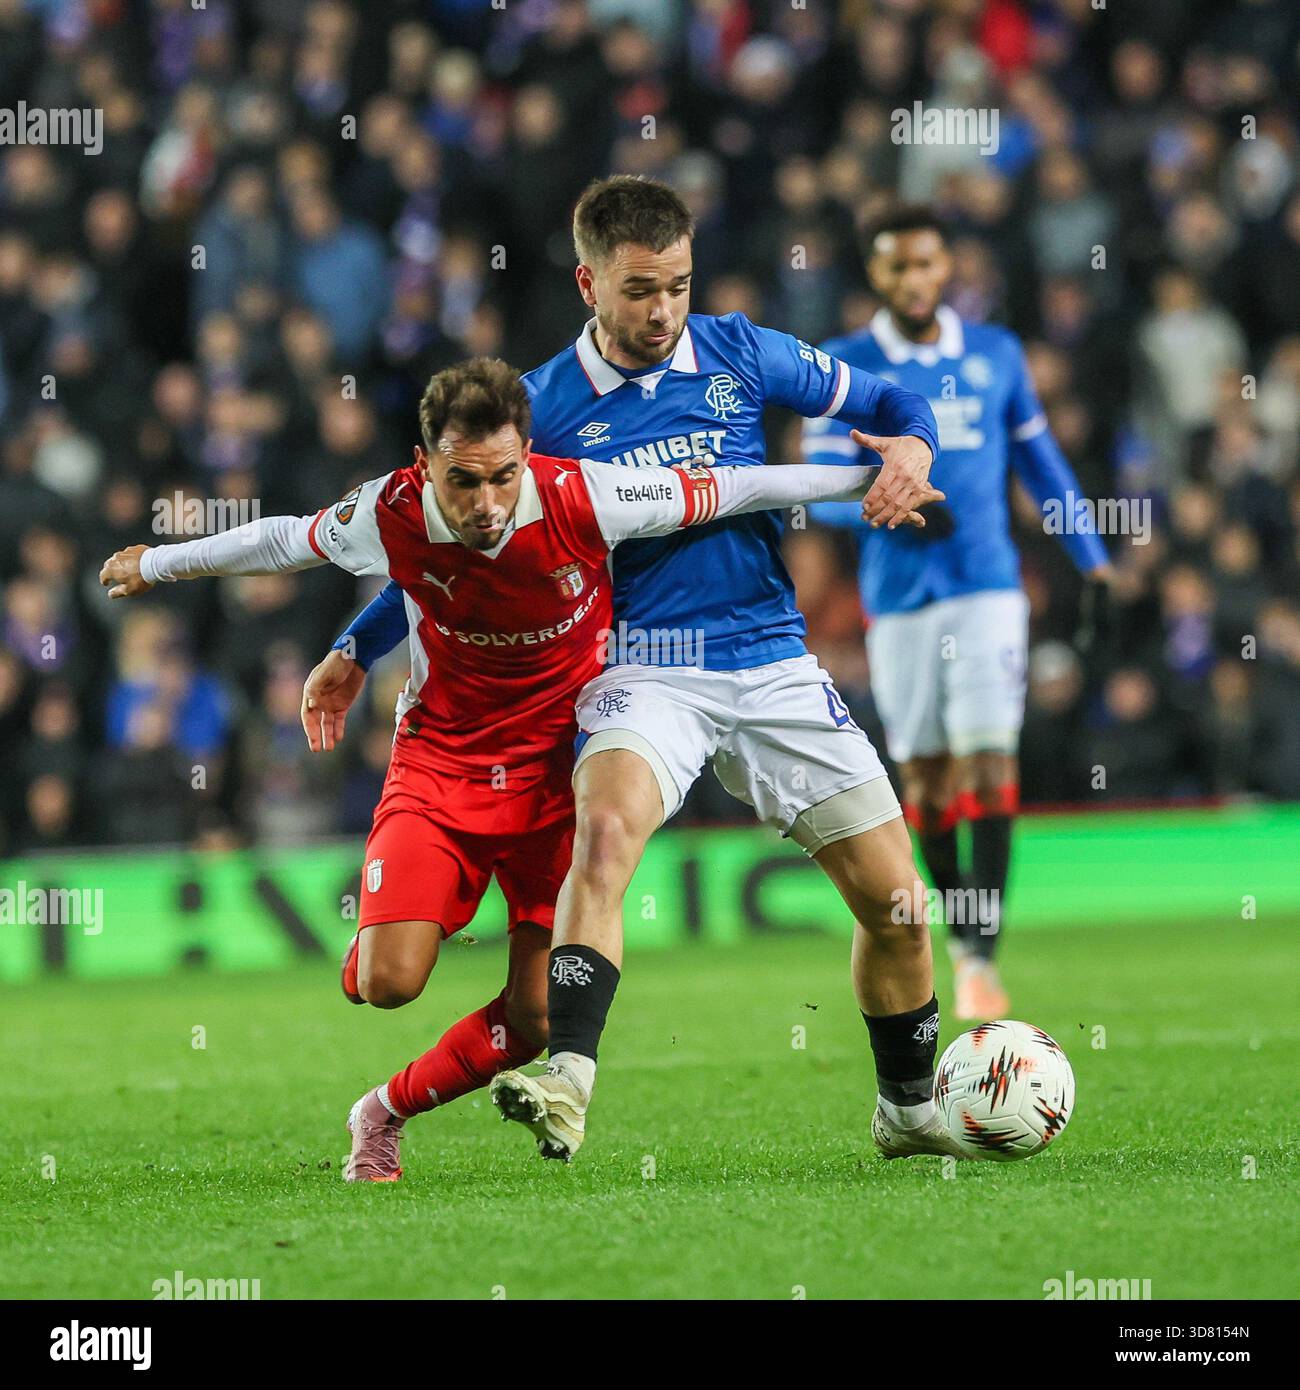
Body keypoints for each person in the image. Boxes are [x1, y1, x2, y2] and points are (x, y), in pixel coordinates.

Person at [323, 176, 990, 1168]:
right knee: (607, 830)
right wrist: (354, 647)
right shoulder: (541, 407)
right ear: (588, 281)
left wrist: (912, 446)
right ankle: (570, 1081)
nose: (662, 310)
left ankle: (903, 1107)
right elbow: (443, 553)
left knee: (899, 907)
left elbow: (894, 401)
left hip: (769, 659)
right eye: (639, 290)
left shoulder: (739, 348)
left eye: (677, 284)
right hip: (640, 667)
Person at [100, 355, 884, 1179]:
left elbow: (736, 486)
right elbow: (280, 541)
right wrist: (155, 564)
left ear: (526, 454)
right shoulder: (388, 511)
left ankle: (382, 1111)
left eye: (504, 477)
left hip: (556, 770)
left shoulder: (587, 493)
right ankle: (379, 942)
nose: (486, 504)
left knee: (538, 1015)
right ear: (424, 462)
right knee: (390, 984)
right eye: (462, 481)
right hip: (444, 764)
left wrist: (868, 477)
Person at [803, 206, 1113, 1021]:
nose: (914, 280)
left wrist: (1092, 558)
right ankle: (965, 936)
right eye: (897, 267)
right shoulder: (844, 367)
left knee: (990, 759)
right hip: (900, 600)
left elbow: (1042, 463)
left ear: (949, 270)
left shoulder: (995, 354)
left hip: (987, 586)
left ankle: (979, 954)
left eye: (927, 264)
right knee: (929, 781)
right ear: (876, 275)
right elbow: (817, 493)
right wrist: (889, 502)